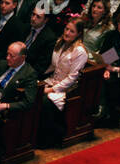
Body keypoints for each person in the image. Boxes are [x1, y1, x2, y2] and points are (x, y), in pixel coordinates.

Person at [37, 18, 89, 146]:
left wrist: (51, 89)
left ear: (78, 34)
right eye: (66, 29)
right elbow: (54, 66)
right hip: (52, 80)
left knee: (43, 102)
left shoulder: (80, 51)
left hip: (66, 89)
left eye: (72, 31)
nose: (67, 33)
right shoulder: (60, 42)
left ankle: (46, 139)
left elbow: (72, 78)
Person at [20, 7, 58, 76]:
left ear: (46, 20)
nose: (33, 18)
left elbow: (41, 66)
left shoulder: (50, 39)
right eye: (33, 14)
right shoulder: (25, 27)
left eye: (38, 17)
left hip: (28, 73)